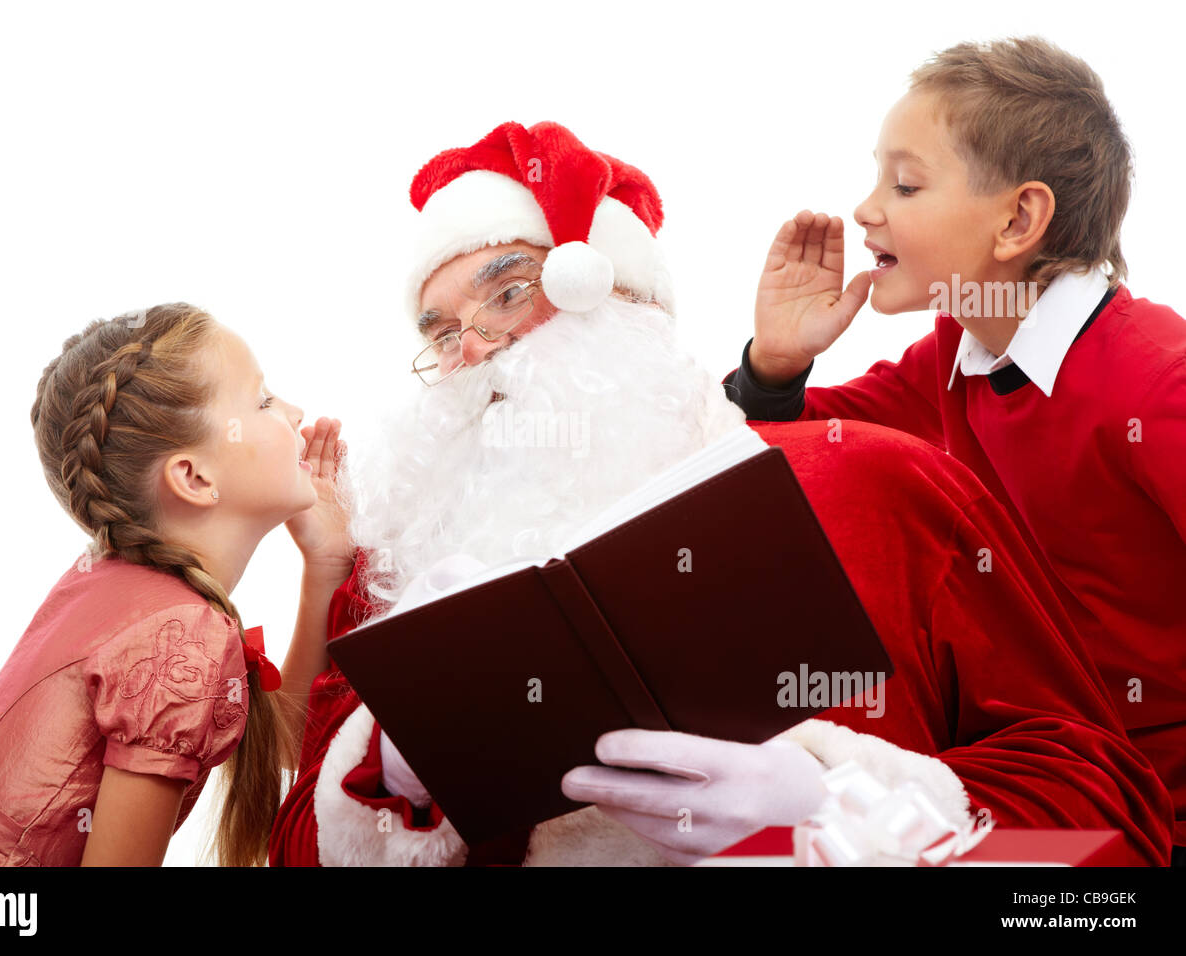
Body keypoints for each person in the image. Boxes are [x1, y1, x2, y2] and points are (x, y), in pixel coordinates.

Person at [268, 121, 1172, 867]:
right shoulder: (388, 581)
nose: (474, 348)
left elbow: (1109, 826)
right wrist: (390, 774)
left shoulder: (872, 482)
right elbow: (294, 847)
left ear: (616, 299)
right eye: (440, 329)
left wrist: (843, 816)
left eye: (508, 292)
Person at [723, 37, 1186, 862]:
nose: (867, 209)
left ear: (1017, 219)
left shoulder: (1156, 381)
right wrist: (778, 364)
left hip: (1143, 806)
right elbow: (786, 458)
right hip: (1017, 756)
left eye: (905, 185)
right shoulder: (955, 354)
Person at [0, 303, 352, 866]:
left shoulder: (110, 579)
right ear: (193, 476)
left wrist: (324, 563)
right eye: (262, 400)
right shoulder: (179, 635)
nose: (295, 411)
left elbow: (279, 739)